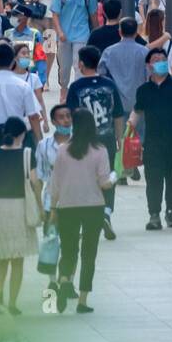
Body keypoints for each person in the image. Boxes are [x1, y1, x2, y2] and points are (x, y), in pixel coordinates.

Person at [50, 108, 116, 313]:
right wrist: (114, 177)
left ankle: (63, 281)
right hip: (93, 207)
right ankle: (83, 301)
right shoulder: (100, 150)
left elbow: (55, 183)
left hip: (67, 206)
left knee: (69, 251)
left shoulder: (62, 149)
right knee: (89, 254)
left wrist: (53, 208)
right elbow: (104, 183)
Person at [132, 46, 172, 230]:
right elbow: (137, 112)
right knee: (153, 179)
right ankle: (154, 214)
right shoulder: (143, 90)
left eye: (163, 59)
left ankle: (170, 210)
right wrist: (130, 128)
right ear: (149, 65)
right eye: (156, 59)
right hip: (152, 142)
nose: (160, 62)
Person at [66, 44, 126, 238]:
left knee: (85, 179)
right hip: (107, 138)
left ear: (81, 64)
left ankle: (87, 218)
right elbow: (118, 114)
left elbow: (69, 116)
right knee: (107, 177)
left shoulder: (76, 87)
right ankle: (106, 212)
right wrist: (120, 139)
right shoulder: (109, 84)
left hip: (83, 140)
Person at [0, 117, 41, 314]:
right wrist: (41, 207)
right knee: (17, 260)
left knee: (2, 257)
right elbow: (34, 182)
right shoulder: (27, 154)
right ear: (22, 134)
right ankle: (13, 303)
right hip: (20, 208)